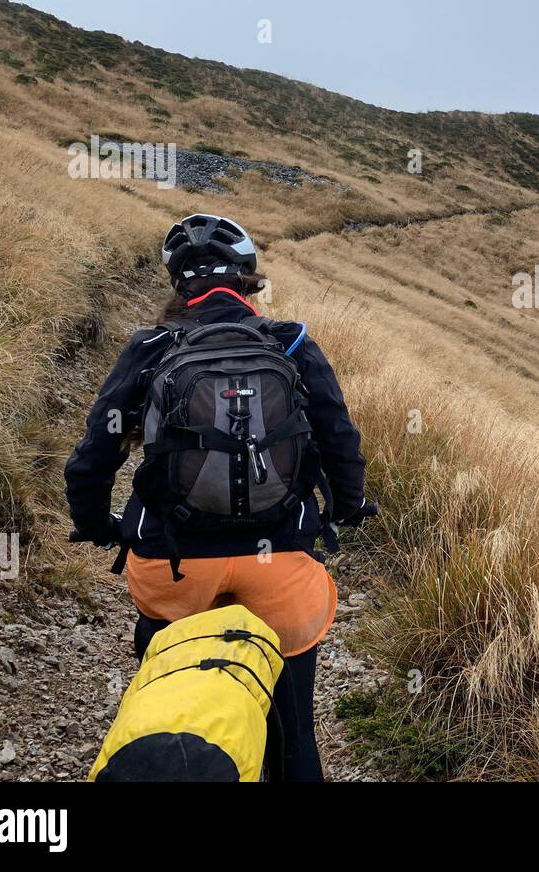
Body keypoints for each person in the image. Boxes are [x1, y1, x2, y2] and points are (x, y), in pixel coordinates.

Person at [65, 213, 370, 781]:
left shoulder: (151, 345)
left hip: (173, 564)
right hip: (279, 560)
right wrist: (349, 506)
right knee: (295, 730)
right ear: (248, 278)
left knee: (173, 705)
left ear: (179, 284)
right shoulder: (293, 342)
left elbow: (94, 451)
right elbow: (339, 439)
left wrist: (94, 522)